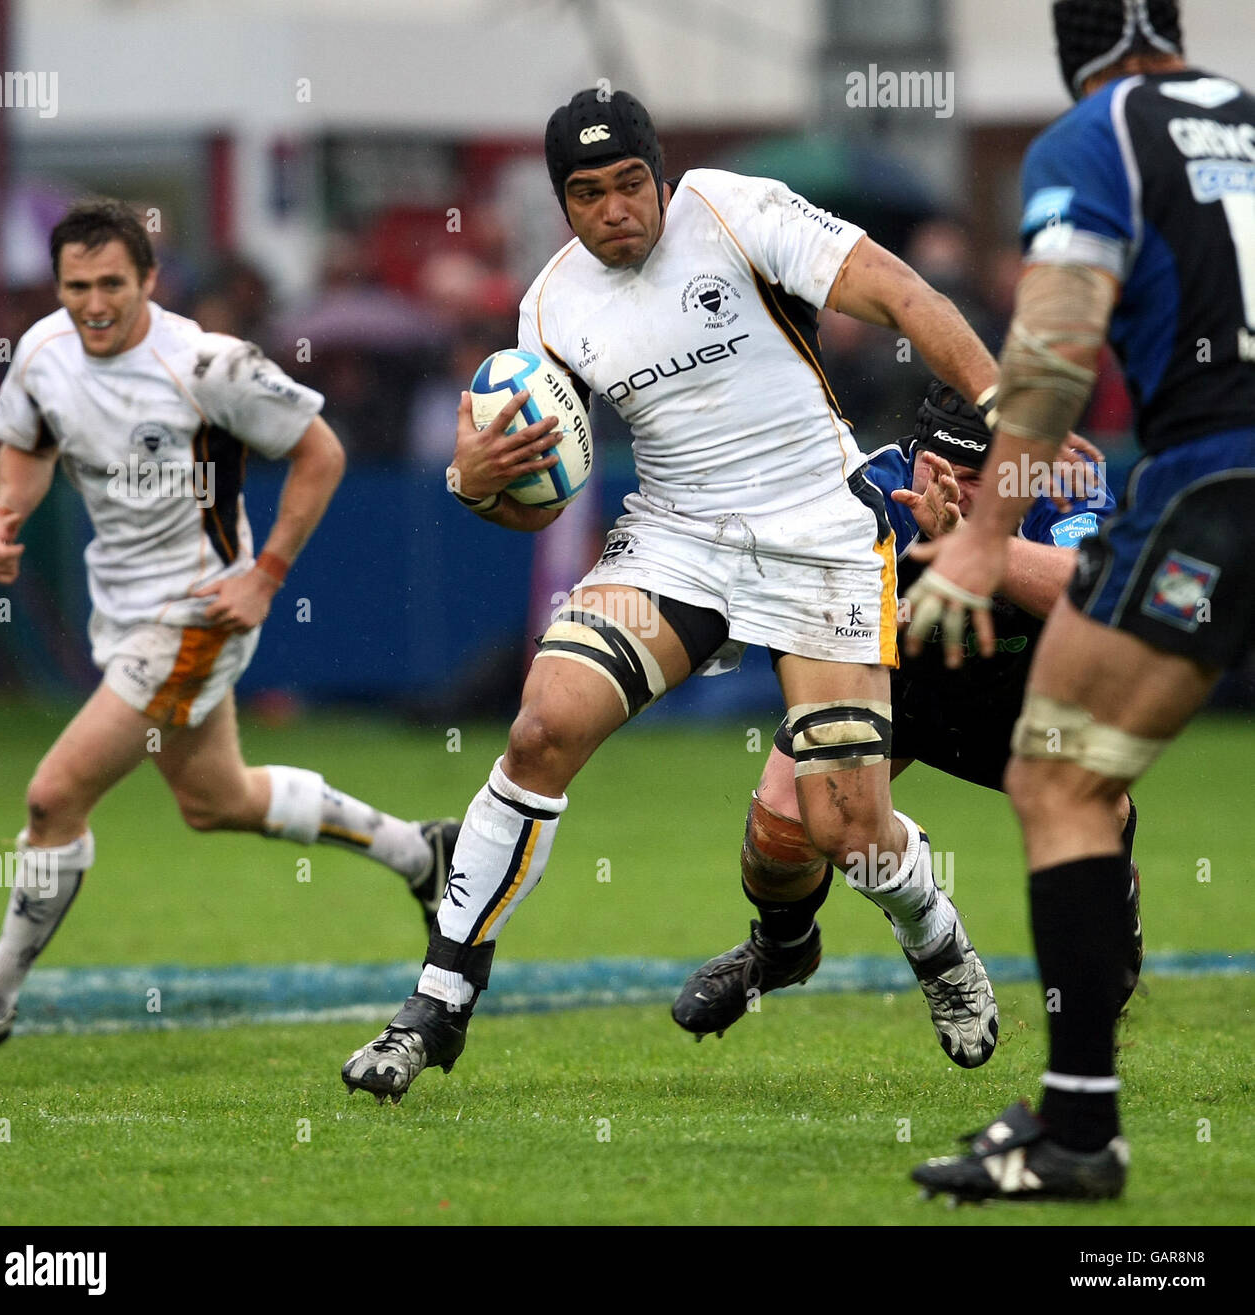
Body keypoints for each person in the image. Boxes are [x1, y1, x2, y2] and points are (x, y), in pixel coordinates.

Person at [342, 89, 1005, 1104]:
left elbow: (904, 294)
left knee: (846, 833)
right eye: (585, 193)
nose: (613, 209)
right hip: (677, 539)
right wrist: (474, 482)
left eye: (627, 184)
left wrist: (994, 410)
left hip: (818, 532)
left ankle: (938, 943)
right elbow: (533, 498)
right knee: (539, 730)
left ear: (659, 174)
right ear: (562, 205)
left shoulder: (735, 208)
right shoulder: (549, 308)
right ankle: (436, 1002)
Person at [0, 199, 456, 1048]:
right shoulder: (41, 355)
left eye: (112, 282)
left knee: (53, 797)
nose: (94, 302)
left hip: (200, 610)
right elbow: (28, 444)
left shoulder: (209, 363)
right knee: (214, 799)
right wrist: (7, 515)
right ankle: (419, 852)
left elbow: (320, 452)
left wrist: (266, 578)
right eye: (76, 285)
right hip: (118, 610)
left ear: (151, 279)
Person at [905, 0, 1255, 1201]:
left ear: (1079, 38)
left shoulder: (1094, 135)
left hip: (1216, 481)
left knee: (1058, 772)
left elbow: (1052, 356)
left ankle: (1077, 1132)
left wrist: (981, 540)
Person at [672, 381, 1142, 1058]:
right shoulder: (872, 487)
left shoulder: (1062, 483)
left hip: (1025, 698)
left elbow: (1092, 589)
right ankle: (781, 950)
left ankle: (1113, 907)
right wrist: (866, 621)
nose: (955, 487)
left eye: (980, 478)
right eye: (940, 469)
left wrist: (974, 551)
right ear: (917, 453)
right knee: (779, 831)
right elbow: (815, 611)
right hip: (902, 687)